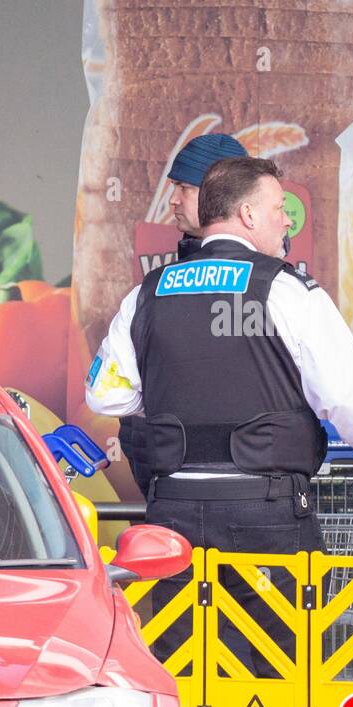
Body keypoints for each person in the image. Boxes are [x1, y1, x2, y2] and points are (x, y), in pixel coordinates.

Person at [86, 156, 353, 675]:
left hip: (174, 511)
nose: (287, 219)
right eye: (277, 208)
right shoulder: (287, 291)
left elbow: (108, 397)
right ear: (246, 215)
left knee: (186, 670)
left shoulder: (147, 294)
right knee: (278, 674)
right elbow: (345, 398)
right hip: (267, 515)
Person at [118, 133, 248, 497]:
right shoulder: (281, 284)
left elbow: (109, 395)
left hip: (212, 489)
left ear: (217, 194)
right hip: (185, 484)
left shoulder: (277, 287)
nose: (171, 199)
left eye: (183, 188)